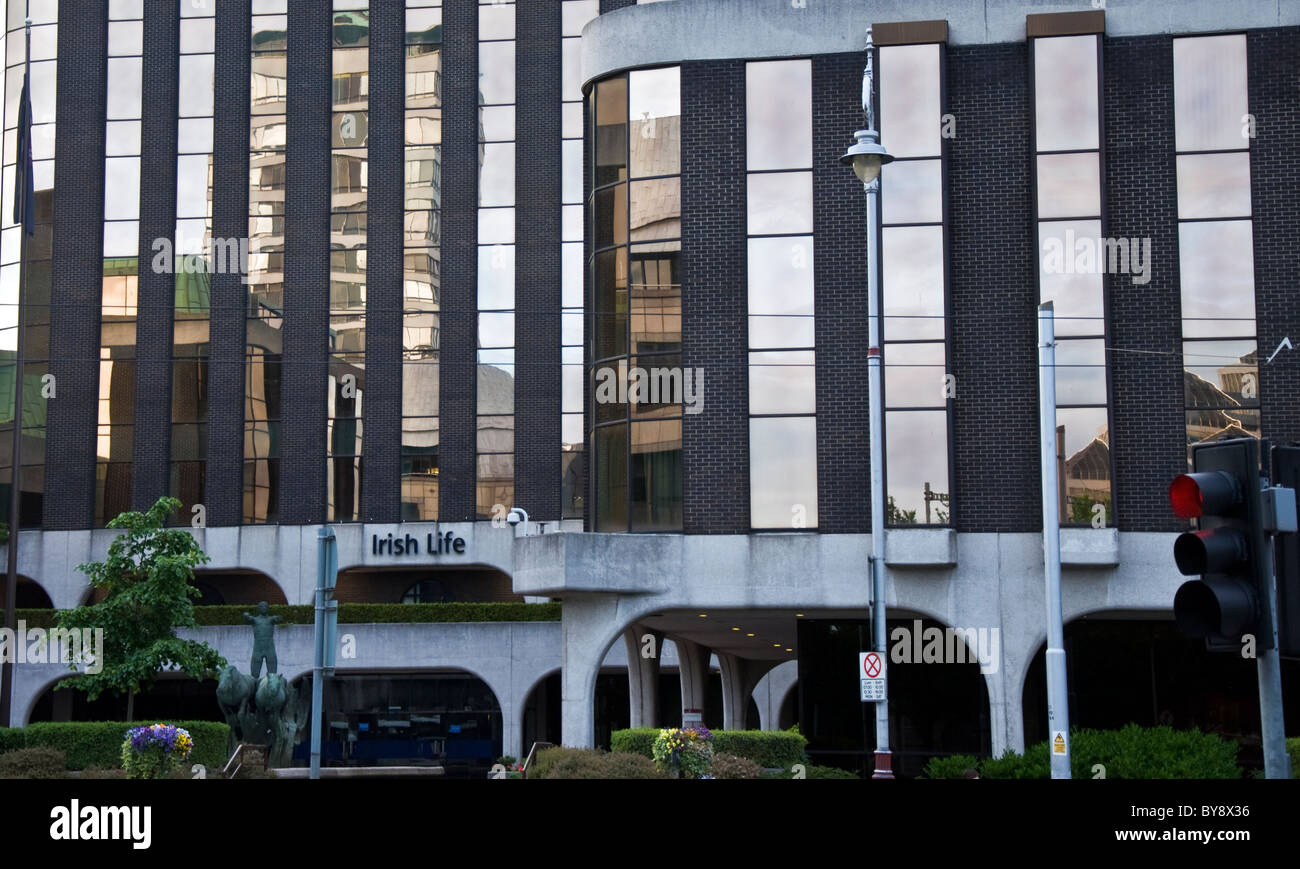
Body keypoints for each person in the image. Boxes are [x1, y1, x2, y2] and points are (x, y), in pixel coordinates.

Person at [243, 601, 281, 679]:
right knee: (254, 675)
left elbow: (279, 618)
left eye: (265, 607)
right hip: (258, 648)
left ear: (268, 609)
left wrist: (277, 617)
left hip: (269, 648)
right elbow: (248, 618)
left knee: (273, 674)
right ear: (259, 609)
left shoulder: (271, 620)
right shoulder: (255, 620)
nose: (264, 608)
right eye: (262, 607)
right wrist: (246, 615)